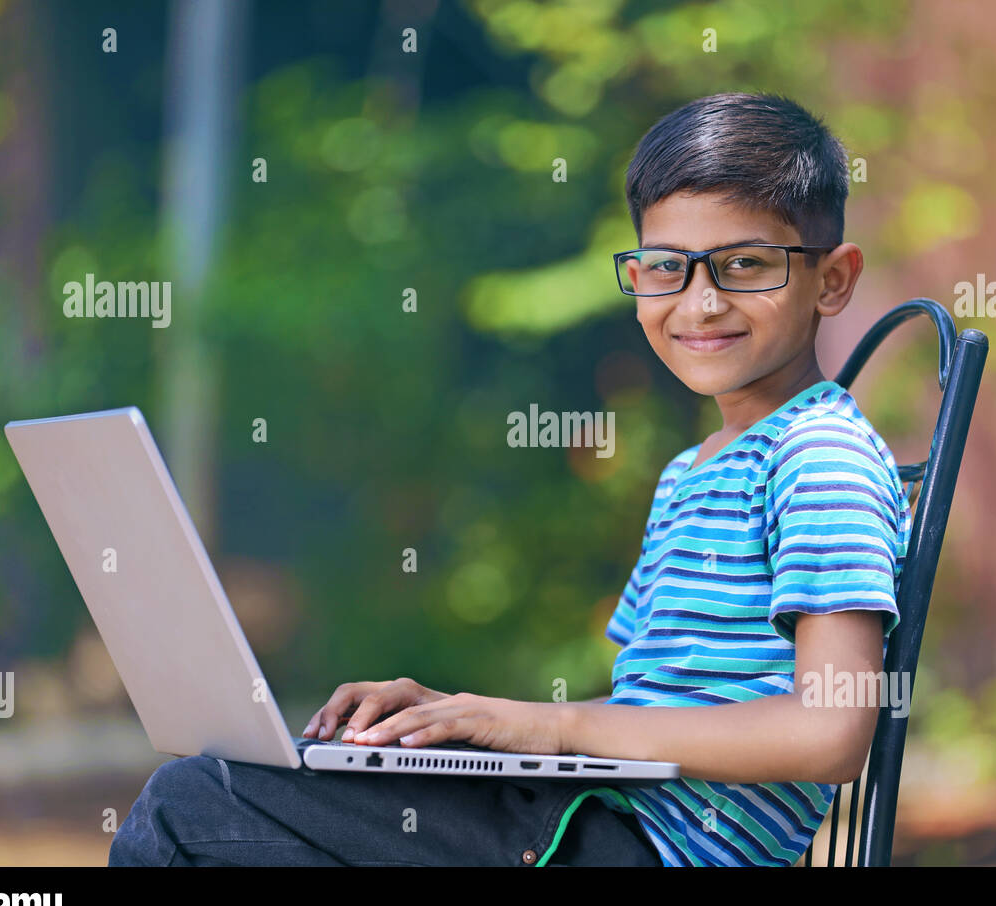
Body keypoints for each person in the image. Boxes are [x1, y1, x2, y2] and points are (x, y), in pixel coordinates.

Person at [109, 90, 912, 867]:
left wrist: (550, 727)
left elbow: (830, 734)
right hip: (594, 819)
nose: (700, 304)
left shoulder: (818, 455)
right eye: (667, 268)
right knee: (259, 792)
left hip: (641, 847)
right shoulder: (690, 471)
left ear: (833, 279)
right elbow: (642, 719)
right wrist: (467, 721)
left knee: (193, 806)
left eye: (745, 265)